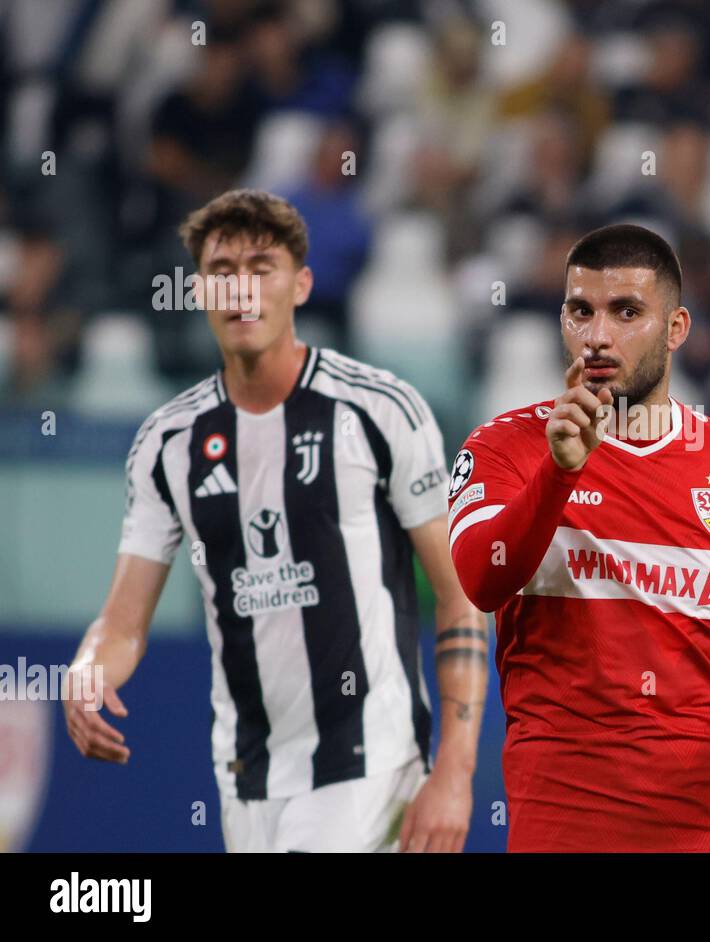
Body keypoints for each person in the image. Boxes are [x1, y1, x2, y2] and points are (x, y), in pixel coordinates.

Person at [63, 189, 487, 853]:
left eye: (262, 269)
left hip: (370, 769)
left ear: (301, 285)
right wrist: (87, 674)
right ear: (199, 291)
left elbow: (462, 601)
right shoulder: (167, 443)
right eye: (222, 272)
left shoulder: (377, 412)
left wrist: (456, 773)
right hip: (246, 780)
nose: (241, 291)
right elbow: (120, 626)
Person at [447, 223, 710, 851]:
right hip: (568, 818)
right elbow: (482, 581)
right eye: (581, 311)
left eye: (627, 312)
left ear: (677, 328)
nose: (598, 336)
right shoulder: (504, 449)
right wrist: (559, 474)